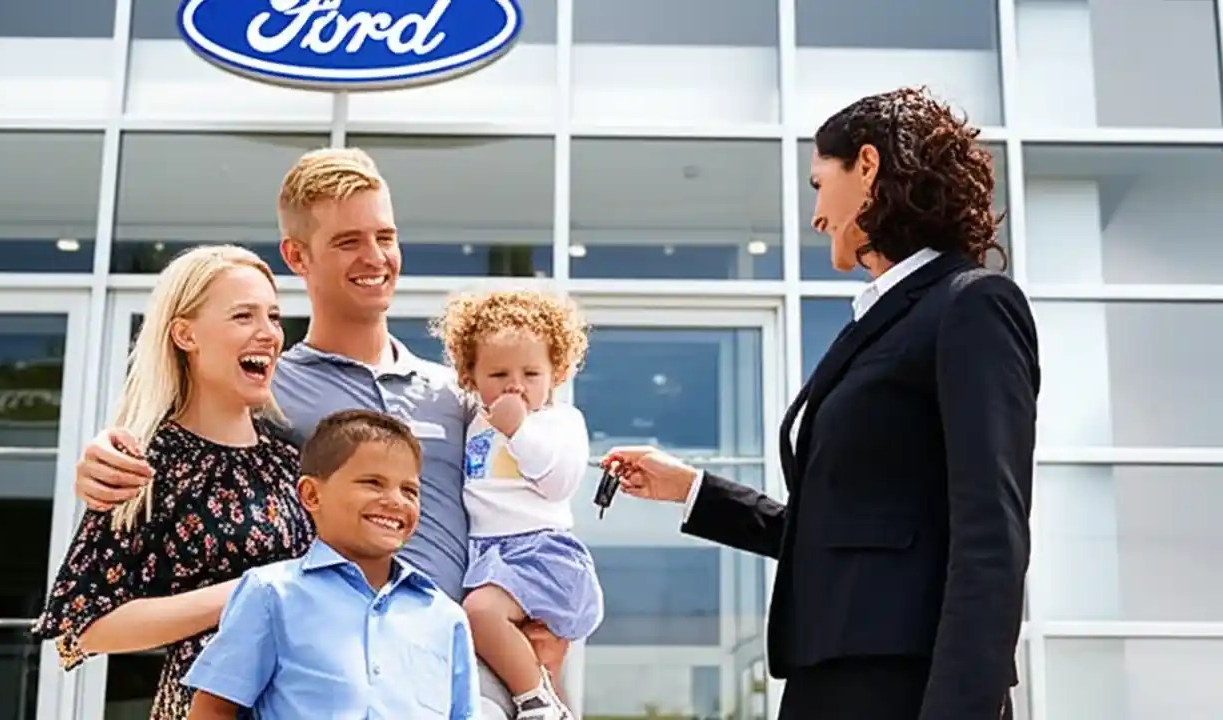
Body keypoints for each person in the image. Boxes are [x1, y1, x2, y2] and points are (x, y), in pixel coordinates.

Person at [68, 147, 555, 718]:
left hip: (463, 673)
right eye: (348, 241)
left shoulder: (460, 393)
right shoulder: (271, 393)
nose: (375, 257)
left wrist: (546, 618)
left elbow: (530, 503)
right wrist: (105, 451)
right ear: (297, 256)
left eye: (385, 236)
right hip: (327, 683)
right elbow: (190, 430)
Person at [602, 87, 1039, 720]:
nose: (816, 216)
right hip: (828, 683)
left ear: (867, 166)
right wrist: (693, 490)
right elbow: (843, 537)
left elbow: (991, 536)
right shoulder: (885, 320)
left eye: (817, 183)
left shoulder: (970, 305)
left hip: (902, 688)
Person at [30, 245, 315, 720]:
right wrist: (246, 591)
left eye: (274, 316)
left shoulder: (291, 458)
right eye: (243, 316)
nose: (268, 333)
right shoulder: (145, 464)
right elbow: (85, 625)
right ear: (185, 334)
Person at [183, 409, 479, 719]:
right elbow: (213, 711)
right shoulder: (272, 594)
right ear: (311, 495)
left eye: (410, 490)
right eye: (373, 482)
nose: (396, 501)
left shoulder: (444, 617)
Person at [430, 290, 601, 720]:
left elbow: (558, 483)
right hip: (487, 553)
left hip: (538, 551)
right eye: (498, 373)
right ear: (469, 377)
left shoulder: (560, 421)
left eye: (531, 373)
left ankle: (537, 700)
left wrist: (520, 430)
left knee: (480, 613)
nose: (515, 385)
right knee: (489, 626)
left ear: (557, 372)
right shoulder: (474, 419)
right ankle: (545, 694)